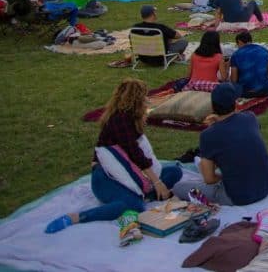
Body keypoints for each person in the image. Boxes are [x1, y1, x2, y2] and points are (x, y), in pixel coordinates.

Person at [44, 79, 183, 233]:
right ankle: (77, 217)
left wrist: (156, 181)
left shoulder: (131, 118)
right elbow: (136, 156)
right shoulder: (120, 120)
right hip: (107, 178)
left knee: (175, 172)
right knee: (135, 206)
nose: (147, 101)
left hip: (133, 173)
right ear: (136, 100)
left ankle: (144, 194)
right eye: (144, 97)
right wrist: (157, 182)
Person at [173, 82, 268, 206]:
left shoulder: (208, 135)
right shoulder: (250, 118)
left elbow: (209, 179)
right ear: (235, 103)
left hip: (239, 196)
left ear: (212, 106)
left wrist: (225, 179)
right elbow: (238, 137)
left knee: (178, 187)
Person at [230, 31, 268, 97]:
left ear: (239, 42)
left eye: (237, 44)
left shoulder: (235, 55)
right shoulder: (264, 50)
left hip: (245, 92)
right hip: (265, 90)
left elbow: (234, 81)